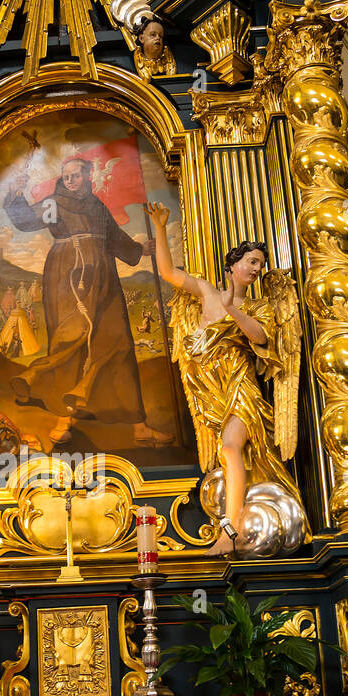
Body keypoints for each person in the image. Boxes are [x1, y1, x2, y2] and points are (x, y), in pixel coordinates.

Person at [146, 201, 305, 554]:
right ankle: (239, 513)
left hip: (239, 385)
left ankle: (229, 533)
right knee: (227, 453)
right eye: (251, 261)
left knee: (231, 448)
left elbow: (260, 338)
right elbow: (168, 271)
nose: (256, 269)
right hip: (209, 389)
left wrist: (233, 306)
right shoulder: (204, 291)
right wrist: (159, 226)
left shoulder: (258, 307)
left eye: (261, 265)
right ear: (233, 264)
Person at [3, 157, 171, 446]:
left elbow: (115, 238)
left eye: (76, 175)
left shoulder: (96, 206)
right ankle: (60, 417)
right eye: (66, 176)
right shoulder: (54, 203)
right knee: (71, 339)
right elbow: (24, 221)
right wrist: (15, 195)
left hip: (104, 274)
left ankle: (139, 426)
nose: (70, 181)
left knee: (117, 339)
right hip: (68, 275)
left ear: (88, 175)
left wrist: (138, 249)